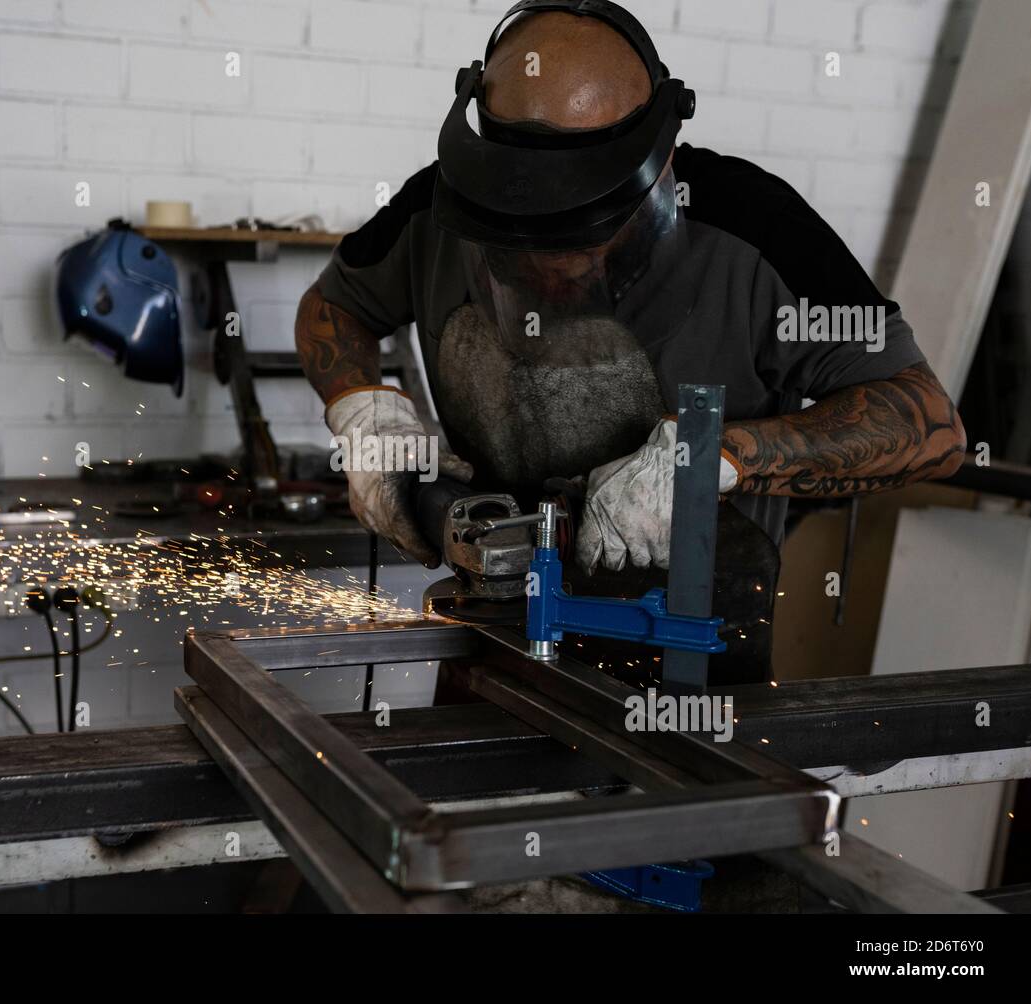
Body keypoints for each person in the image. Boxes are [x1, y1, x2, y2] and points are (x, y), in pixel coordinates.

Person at [295, 0, 965, 684]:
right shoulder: (438, 208)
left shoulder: (759, 231)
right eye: (523, 245)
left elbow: (929, 423)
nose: (556, 270)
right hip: (492, 669)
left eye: (588, 236)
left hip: (693, 682)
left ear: (660, 159)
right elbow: (333, 307)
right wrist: (364, 411)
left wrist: (715, 459)